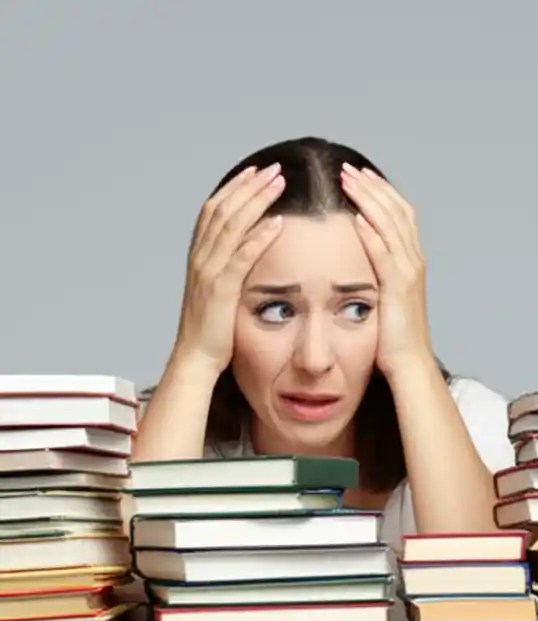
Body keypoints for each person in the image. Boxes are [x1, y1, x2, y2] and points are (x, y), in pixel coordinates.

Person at [133, 137, 514, 553]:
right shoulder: (155, 436)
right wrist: (195, 355)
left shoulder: (475, 423)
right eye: (276, 310)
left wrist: (411, 358)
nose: (315, 360)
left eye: (355, 309)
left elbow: (481, 587)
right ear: (216, 309)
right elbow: (132, 592)